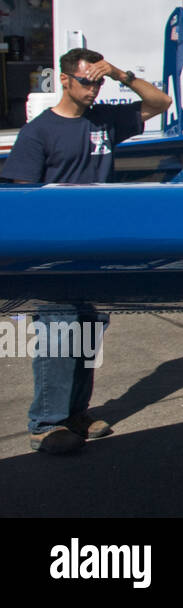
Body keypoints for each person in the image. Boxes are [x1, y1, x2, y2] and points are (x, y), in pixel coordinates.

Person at [0, 47, 171, 453]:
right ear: (63, 80)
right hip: (56, 252)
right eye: (85, 81)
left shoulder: (105, 120)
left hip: (100, 248)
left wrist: (118, 72)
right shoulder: (38, 132)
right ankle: (46, 423)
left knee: (88, 336)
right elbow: (20, 199)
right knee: (59, 334)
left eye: (98, 81)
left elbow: (159, 102)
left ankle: (76, 413)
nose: (93, 89)